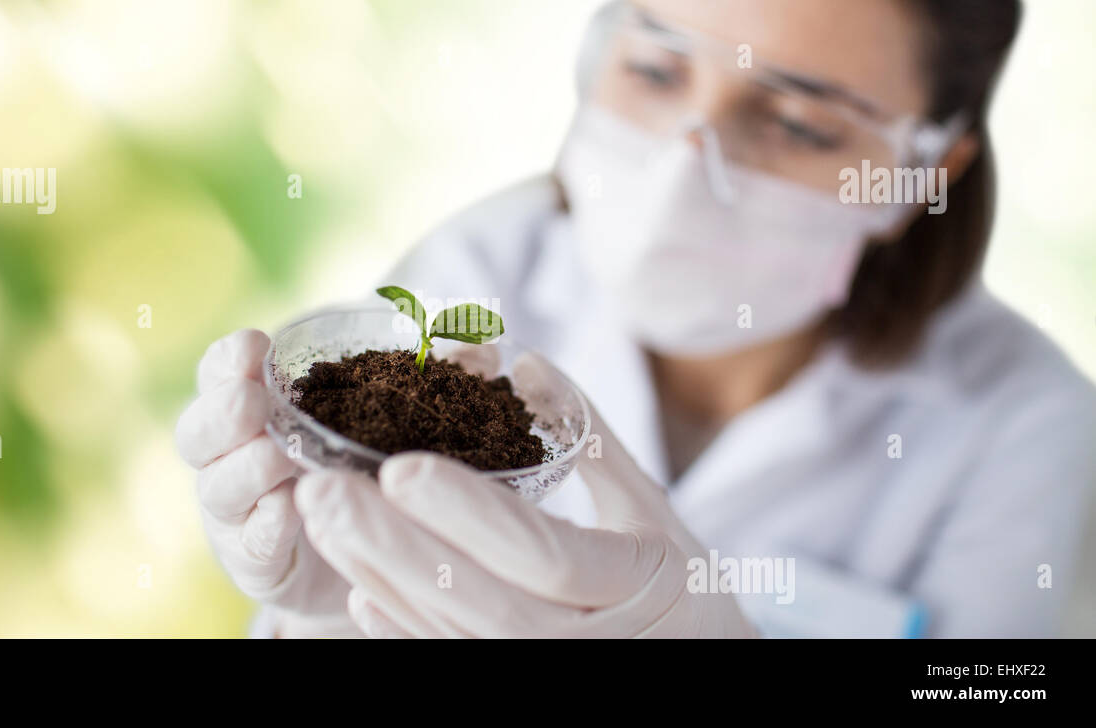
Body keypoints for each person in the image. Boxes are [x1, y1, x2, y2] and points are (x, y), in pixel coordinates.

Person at [175, 0, 1095, 637]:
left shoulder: (1026, 425)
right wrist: (332, 614)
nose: (680, 169)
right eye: (656, 70)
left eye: (802, 126)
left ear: (924, 175)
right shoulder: (486, 269)